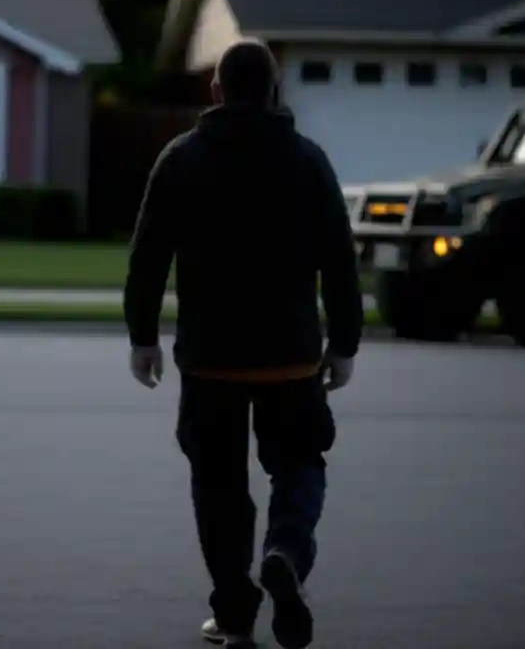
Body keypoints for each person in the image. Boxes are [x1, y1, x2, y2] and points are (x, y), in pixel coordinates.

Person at [124, 40, 363, 649]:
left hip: (211, 359)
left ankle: (234, 617)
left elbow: (148, 256)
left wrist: (143, 337)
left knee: (218, 486)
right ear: (275, 90)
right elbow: (340, 259)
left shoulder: (181, 159)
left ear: (216, 90)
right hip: (291, 357)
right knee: (300, 463)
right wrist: (344, 343)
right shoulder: (308, 160)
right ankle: (285, 550)